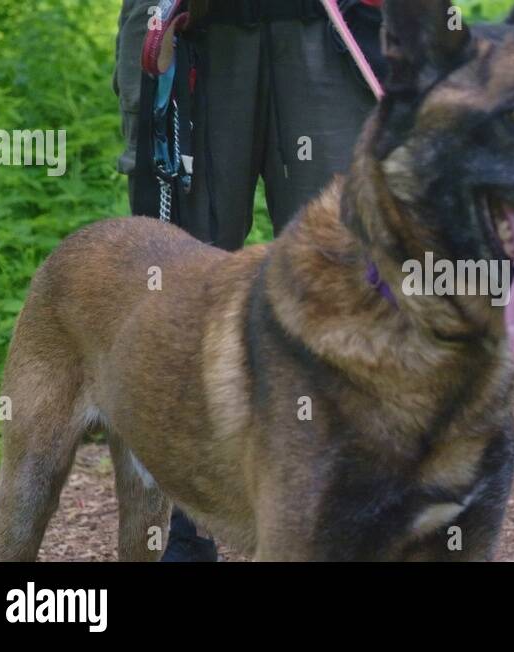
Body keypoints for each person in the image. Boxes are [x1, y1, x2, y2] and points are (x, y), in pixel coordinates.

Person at [112, 0, 383, 561]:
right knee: (179, 290)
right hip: (194, 28)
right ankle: (187, 527)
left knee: (342, 277)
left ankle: (350, 507)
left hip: (333, 27)